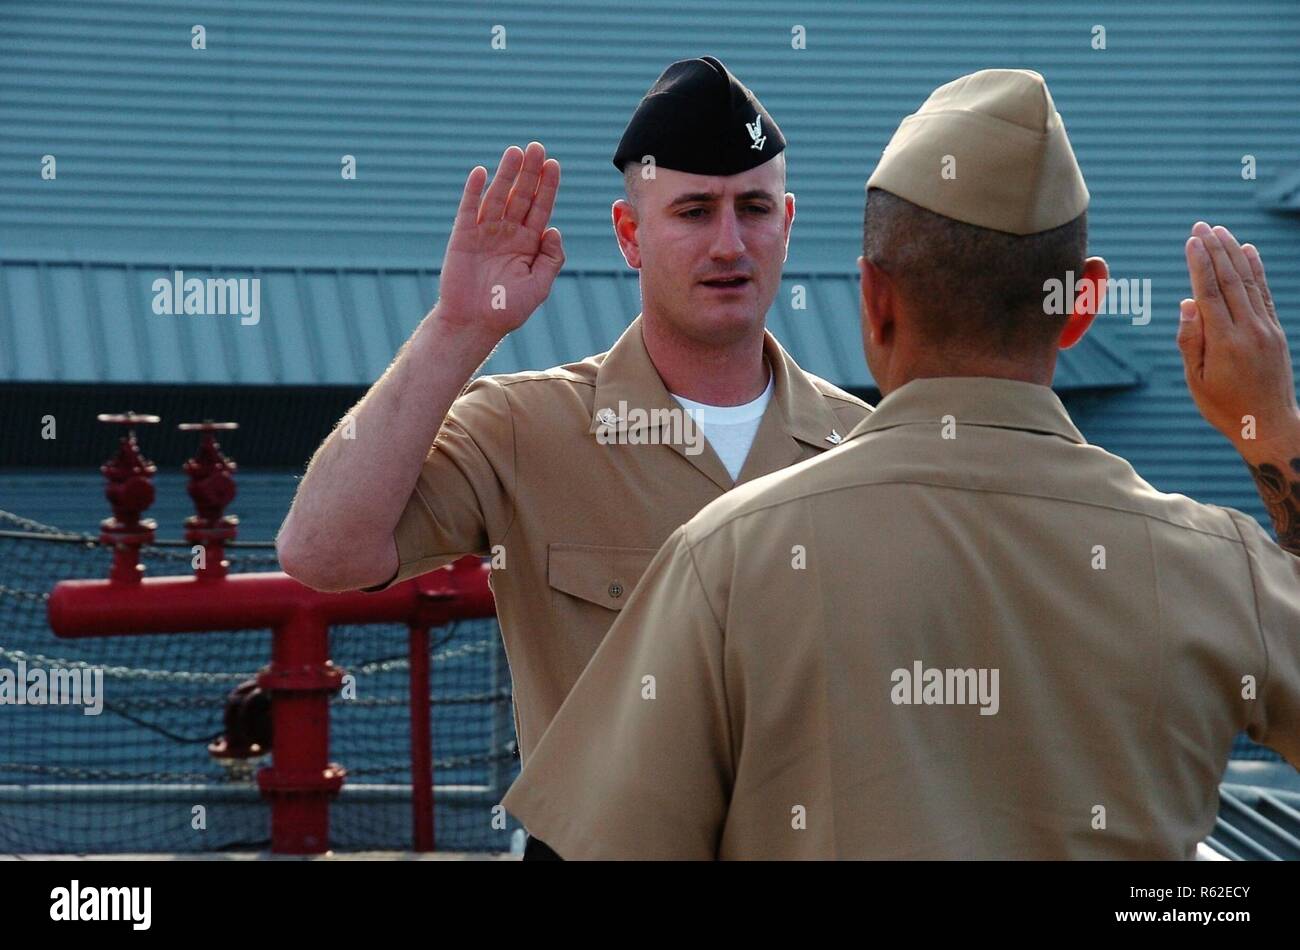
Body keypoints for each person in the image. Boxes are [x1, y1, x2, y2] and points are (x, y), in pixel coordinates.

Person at [501, 68, 1300, 859]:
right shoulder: (1219, 569)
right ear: (1081, 304)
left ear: (874, 300)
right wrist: (1274, 435)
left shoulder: (727, 558)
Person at [274, 57, 871, 858]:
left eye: (753, 207)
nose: (730, 242)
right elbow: (321, 550)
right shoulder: (526, 429)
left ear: (788, 223)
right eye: (694, 210)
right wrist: (459, 328)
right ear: (630, 234)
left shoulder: (863, 449)